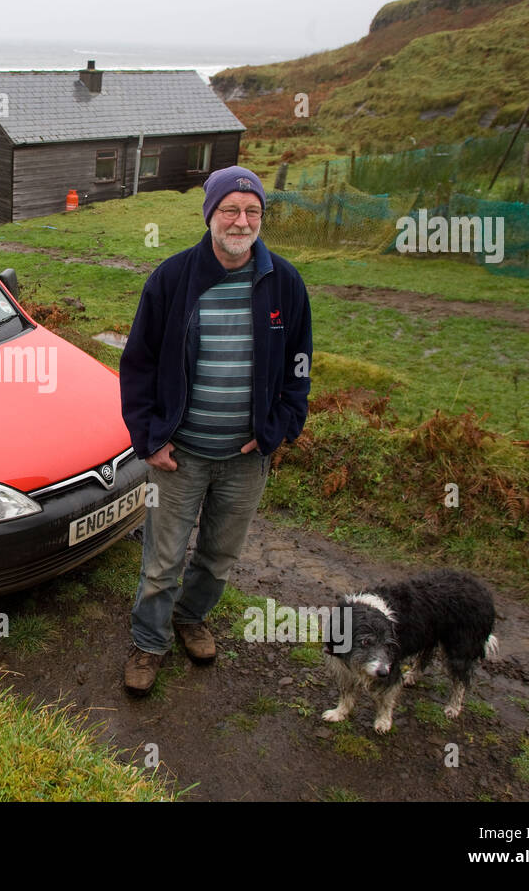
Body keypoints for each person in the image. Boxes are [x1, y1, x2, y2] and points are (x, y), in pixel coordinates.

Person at [119, 165, 312, 695]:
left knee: (220, 556)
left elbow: (299, 365)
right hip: (179, 456)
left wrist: (279, 429)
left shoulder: (284, 283)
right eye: (230, 209)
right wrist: (149, 438)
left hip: (247, 457)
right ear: (210, 215)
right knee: (163, 560)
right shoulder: (172, 279)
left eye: (253, 211)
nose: (241, 220)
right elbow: (137, 363)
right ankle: (148, 642)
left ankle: (190, 618)